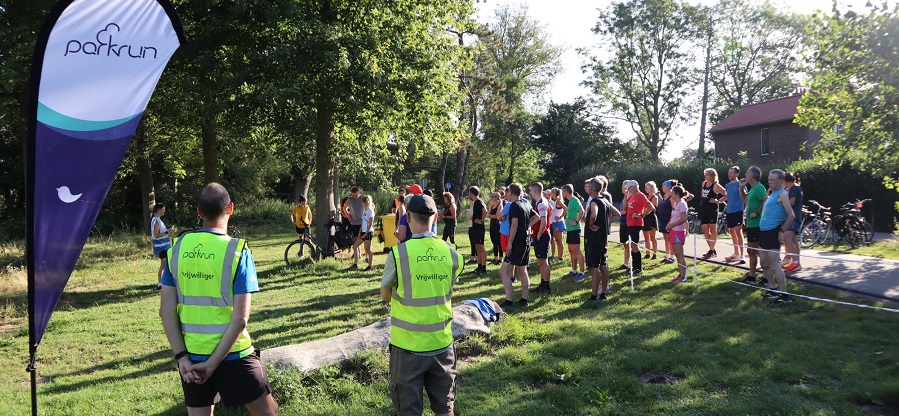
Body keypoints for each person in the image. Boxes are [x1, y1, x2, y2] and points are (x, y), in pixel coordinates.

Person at [159, 183, 278, 416]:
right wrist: (213, 364)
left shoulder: (176, 249)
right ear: (230, 208)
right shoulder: (238, 251)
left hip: (192, 357)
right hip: (234, 353)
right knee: (269, 413)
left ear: (199, 212)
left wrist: (182, 358)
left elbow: (166, 312)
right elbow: (240, 320)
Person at [379, 194, 462, 416]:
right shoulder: (451, 253)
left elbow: (385, 295)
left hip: (408, 348)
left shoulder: (398, 254)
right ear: (434, 217)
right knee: (445, 409)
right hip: (442, 343)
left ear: (407, 217)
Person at [758, 169, 795, 303]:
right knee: (763, 263)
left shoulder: (783, 194)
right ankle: (772, 289)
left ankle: (784, 294)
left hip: (772, 232)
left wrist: (782, 230)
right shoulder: (772, 194)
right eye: (769, 179)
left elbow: (791, 215)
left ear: (781, 181)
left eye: (773, 180)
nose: (770, 182)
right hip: (763, 232)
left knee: (774, 265)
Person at [499, 183, 534, 308]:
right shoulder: (525, 204)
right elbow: (536, 217)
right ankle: (524, 299)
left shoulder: (514, 205)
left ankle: (509, 301)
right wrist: (527, 227)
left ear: (511, 193)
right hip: (526, 241)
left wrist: (509, 243)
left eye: (507, 192)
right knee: (522, 270)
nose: (506, 194)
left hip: (516, 243)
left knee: (503, 271)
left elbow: (514, 225)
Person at [584, 177, 619, 301]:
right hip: (603, 238)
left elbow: (593, 214)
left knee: (594, 267)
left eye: (588, 186)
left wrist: (591, 224)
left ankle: (594, 295)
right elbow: (617, 213)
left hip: (594, 239)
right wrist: (605, 224)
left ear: (591, 188)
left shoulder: (594, 201)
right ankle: (603, 292)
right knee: (603, 264)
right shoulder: (605, 200)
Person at [740, 166, 767, 284]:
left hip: (757, 224)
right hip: (751, 225)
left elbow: (766, 200)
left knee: (758, 251)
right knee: (751, 251)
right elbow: (744, 198)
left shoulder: (759, 187)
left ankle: (767, 277)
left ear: (752, 175)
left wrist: (757, 212)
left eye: (747, 172)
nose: (745, 174)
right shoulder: (753, 188)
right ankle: (752, 276)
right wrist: (741, 187)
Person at [624, 180, 653, 275]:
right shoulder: (632, 196)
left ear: (635, 187)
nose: (628, 189)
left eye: (629, 187)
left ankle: (639, 268)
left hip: (636, 224)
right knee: (632, 246)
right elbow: (626, 207)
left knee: (635, 245)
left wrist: (641, 215)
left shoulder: (641, 196)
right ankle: (634, 267)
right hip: (629, 223)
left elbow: (651, 207)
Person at [529, 182, 553, 295]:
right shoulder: (544, 201)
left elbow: (543, 221)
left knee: (544, 261)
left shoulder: (541, 203)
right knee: (541, 261)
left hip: (542, 235)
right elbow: (551, 210)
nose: (530, 193)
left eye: (530, 190)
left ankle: (546, 286)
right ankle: (543, 284)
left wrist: (538, 235)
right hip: (543, 234)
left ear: (534, 191)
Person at [699, 168, 728, 259]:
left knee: (712, 229)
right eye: (705, 174)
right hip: (704, 208)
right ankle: (712, 249)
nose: (705, 176)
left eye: (707, 174)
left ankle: (711, 251)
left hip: (712, 209)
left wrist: (718, 201)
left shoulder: (716, 185)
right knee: (704, 228)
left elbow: (726, 194)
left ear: (712, 176)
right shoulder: (704, 183)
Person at [562, 184, 586, 282]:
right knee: (571, 250)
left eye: (563, 191)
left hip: (575, 229)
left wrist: (576, 221)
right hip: (570, 229)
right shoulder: (570, 201)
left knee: (577, 250)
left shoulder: (575, 200)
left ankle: (582, 273)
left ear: (566, 191)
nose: (562, 193)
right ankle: (574, 270)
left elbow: (582, 211)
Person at [666, 186, 690, 283]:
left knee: (680, 255)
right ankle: (680, 275)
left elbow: (684, 219)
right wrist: (669, 224)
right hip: (673, 230)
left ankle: (683, 277)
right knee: (676, 254)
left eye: (672, 192)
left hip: (678, 231)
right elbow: (674, 217)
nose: (670, 194)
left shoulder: (682, 204)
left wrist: (672, 225)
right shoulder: (676, 203)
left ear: (677, 193)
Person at [724, 166, 746, 263]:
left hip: (738, 211)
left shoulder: (740, 184)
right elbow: (727, 197)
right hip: (729, 211)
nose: (730, 174)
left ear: (737, 174)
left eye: (732, 172)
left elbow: (745, 198)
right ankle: (736, 253)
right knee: (732, 232)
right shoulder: (727, 185)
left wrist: (743, 210)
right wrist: (718, 201)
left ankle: (742, 255)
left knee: (738, 232)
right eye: (729, 172)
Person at [783, 173, 803, 273]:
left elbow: (791, 202)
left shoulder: (794, 188)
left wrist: (781, 201)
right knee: (794, 240)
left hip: (793, 218)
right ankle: (796, 263)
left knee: (786, 238)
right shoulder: (793, 188)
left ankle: (795, 262)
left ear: (784, 180)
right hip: (794, 217)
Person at [151, 203, 172, 290]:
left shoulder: (157, 220)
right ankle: (168, 283)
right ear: (159, 210)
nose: (164, 211)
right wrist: (167, 232)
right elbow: (156, 235)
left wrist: (167, 230)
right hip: (162, 248)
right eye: (163, 209)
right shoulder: (156, 221)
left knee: (163, 266)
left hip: (163, 247)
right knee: (168, 265)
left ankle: (160, 283)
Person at [467, 186, 488, 274]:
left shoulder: (479, 201)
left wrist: (482, 220)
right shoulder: (475, 202)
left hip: (479, 228)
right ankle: (479, 265)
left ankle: (484, 267)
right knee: (476, 247)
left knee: (481, 247)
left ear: (472, 193)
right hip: (475, 227)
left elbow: (485, 211)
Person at [345, 186, 365, 269]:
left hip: (363, 222)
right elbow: (344, 207)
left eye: (356, 195)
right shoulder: (350, 200)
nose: (355, 197)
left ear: (358, 193)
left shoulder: (363, 198)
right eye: (353, 195)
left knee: (365, 239)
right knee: (356, 239)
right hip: (354, 222)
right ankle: (358, 255)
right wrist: (348, 216)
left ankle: (367, 256)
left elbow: (371, 205)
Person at [642, 182, 660, 260]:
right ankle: (647, 253)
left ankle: (655, 254)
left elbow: (651, 209)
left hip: (651, 218)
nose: (645, 189)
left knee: (653, 237)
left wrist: (643, 214)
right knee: (646, 237)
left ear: (651, 188)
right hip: (645, 218)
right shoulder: (645, 197)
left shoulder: (655, 197)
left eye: (647, 187)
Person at [548, 188, 567, 263]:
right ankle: (558, 256)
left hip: (558, 223)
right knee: (556, 240)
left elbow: (565, 208)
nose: (551, 194)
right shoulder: (554, 201)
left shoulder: (558, 201)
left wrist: (561, 216)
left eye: (552, 192)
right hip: (553, 223)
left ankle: (560, 257)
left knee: (559, 241)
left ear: (555, 194)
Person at [487, 192, 505, 265]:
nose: (491, 198)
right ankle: (495, 258)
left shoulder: (500, 205)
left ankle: (500, 258)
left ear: (497, 197)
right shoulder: (492, 205)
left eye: (493, 196)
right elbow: (488, 213)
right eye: (491, 196)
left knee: (498, 242)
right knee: (494, 242)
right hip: (492, 225)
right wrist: (490, 215)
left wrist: (490, 216)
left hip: (497, 225)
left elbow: (497, 216)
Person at [360, 195, 376, 271]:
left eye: (362, 202)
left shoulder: (370, 211)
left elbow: (370, 223)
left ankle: (370, 265)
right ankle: (368, 261)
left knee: (368, 249)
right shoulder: (364, 210)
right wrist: (361, 231)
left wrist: (366, 233)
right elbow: (363, 221)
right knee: (365, 248)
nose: (361, 204)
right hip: (363, 231)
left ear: (365, 203)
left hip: (369, 232)